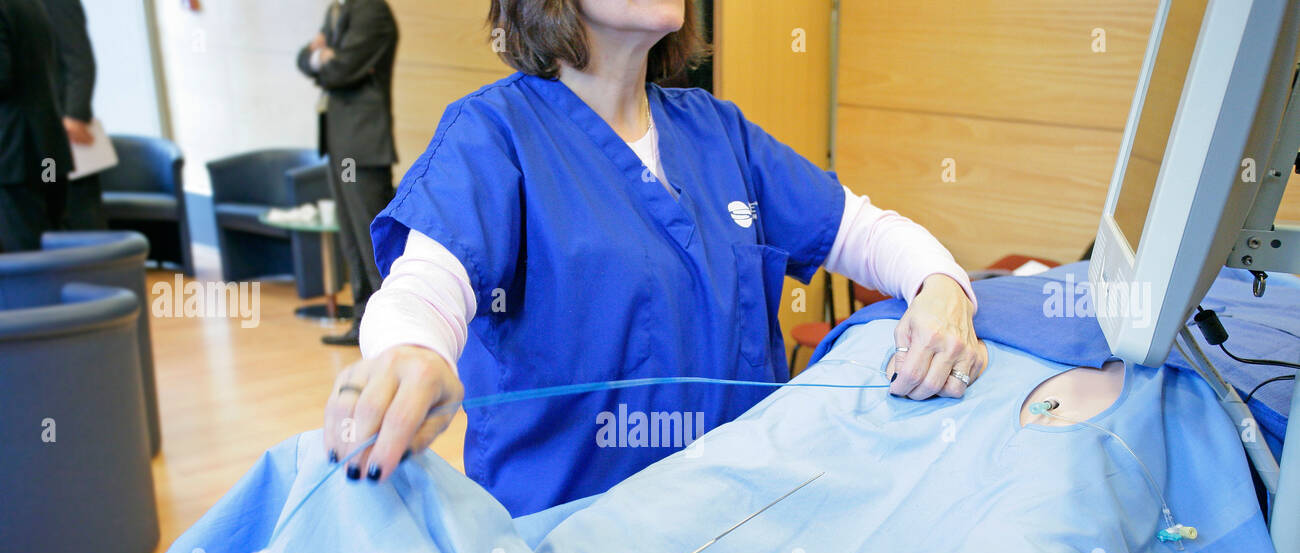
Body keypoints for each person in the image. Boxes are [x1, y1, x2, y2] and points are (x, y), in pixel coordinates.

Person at [322, 0, 986, 517]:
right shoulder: (495, 134)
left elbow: (864, 231)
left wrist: (942, 285)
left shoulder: (717, 131)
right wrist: (410, 352)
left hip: (740, 525)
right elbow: (428, 282)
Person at [297, 0, 399, 347]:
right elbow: (304, 57)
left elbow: (343, 70)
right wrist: (319, 57)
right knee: (352, 240)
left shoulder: (371, 11)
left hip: (362, 147)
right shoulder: (339, 10)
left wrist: (325, 58)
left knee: (371, 239)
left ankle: (392, 329)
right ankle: (363, 322)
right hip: (341, 144)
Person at [0, 0, 70, 252]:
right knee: (51, 233)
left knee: (26, 247)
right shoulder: (31, 4)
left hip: (14, 156)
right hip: (47, 151)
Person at [42, 0, 107, 231]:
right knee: (51, 208)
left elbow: (79, 60)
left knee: (80, 210)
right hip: (43, 134)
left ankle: (99, 267)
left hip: (68, 129)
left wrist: (74, 115)